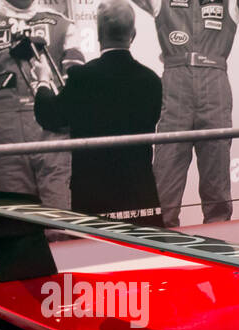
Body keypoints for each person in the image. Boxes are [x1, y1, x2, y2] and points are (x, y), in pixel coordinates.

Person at [129, 0, 239, 226]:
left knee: (217, 182)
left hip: (215, 84)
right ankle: (161, 248)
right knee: (165, 181)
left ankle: (219, 249)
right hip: (175, 85)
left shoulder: (230, 3)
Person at [32, 0, 162, 220]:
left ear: (99, 34)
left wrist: (42, 81)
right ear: (133, 34)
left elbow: (50, 116)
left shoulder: (83, 78)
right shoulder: (152, 81)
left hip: (94, 200)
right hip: (141, 196)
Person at [0, 0, 84, 207]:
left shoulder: (61, 24)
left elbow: (77, 80)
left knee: (60, 215)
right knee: (18, 222)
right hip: (5, 135)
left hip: (52, 129)